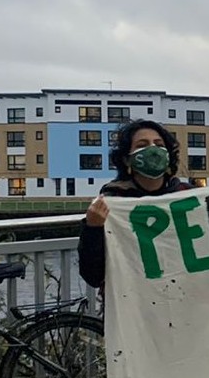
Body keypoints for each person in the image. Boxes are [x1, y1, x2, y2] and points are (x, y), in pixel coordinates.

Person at [78, 120, 190, 289]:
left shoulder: (187, 195)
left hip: (184, 301)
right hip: (134, 308)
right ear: (127, 159)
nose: (153, 149)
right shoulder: (112, 202)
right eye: (142, 144)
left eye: (159, 144)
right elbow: (93, 276)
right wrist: (93, 228)